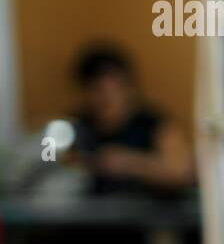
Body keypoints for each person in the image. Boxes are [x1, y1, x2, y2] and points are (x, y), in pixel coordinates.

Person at [70, 44, 194, 195]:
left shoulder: (156, 125)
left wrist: (130, 163)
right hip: (91, 214)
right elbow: (47, 161)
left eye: (114, 89)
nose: (106, 99)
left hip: (151, 213)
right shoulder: (75, 127)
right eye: (97, 90)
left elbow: (181, 172)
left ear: (128, 87)